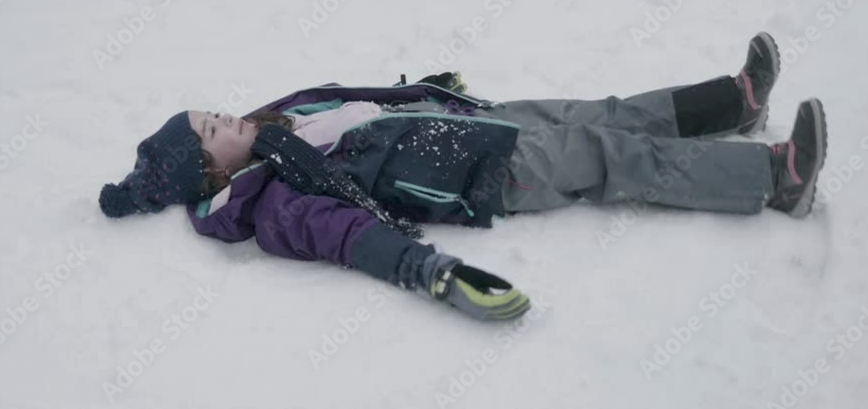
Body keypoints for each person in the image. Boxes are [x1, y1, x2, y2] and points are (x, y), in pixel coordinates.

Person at [99, 33, 827, 321]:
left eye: (208, 112)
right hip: (486, 172)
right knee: (612, 156)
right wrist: (429, 271)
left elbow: (354, 103)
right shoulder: (275, 201)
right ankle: (773, 178)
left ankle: (733, 104)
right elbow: (345, 233)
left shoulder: (276, 122)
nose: (222, 116)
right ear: (211, 171)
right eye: (211, 130)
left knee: (600, 112)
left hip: (470, 121)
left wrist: (425, 90)